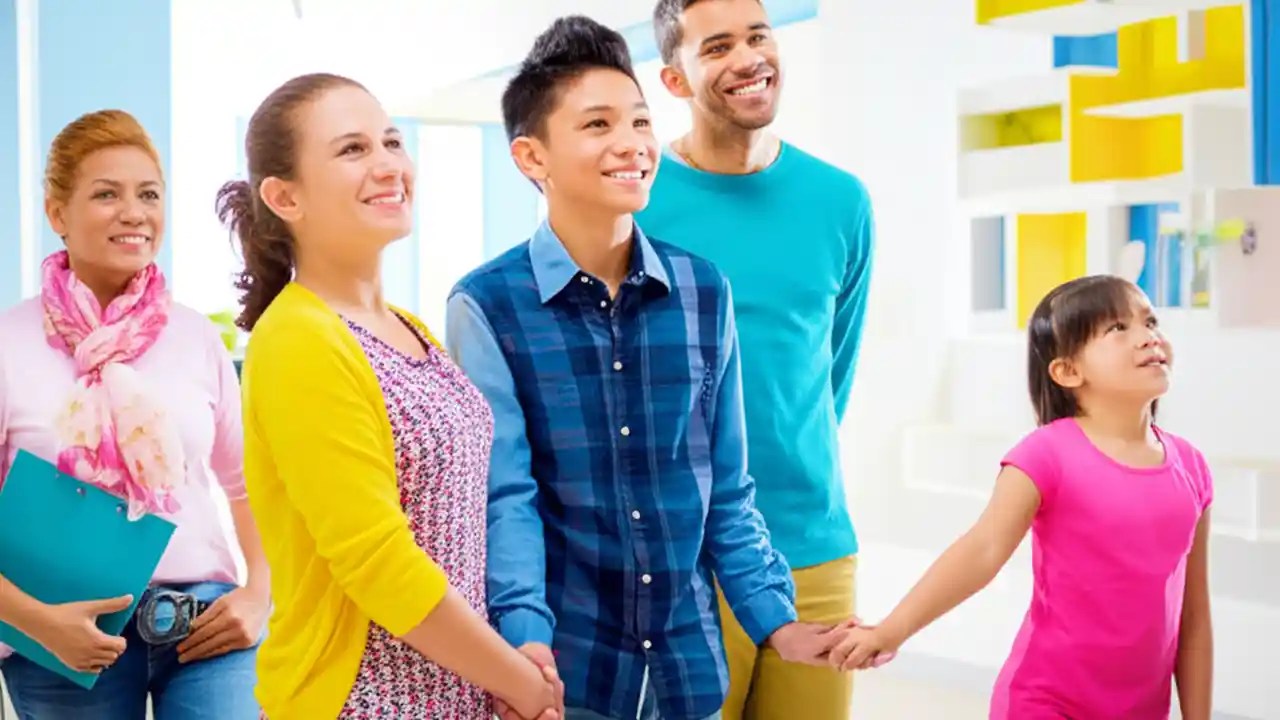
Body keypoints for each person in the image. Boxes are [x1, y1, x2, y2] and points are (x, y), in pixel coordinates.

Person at [446, 16, 841, 720]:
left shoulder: (703, 291)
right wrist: (523, 640)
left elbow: (726, 491)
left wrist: (774, 620)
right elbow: (507, 498)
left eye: (638, 121)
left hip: (690, 671)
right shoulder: (487, 307)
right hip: (569, 674)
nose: (631, 144)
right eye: (597, 125)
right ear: (532, 158)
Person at [223, 72, 561, 720]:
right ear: (284, 196)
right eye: (352, 150)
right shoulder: (297, 338)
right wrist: (520, 683)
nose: (387, 166)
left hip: (461, 693)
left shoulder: (408, 327)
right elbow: (379, 563)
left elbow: (464, 519)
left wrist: (516, 659)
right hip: (361, 703)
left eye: (391, 142)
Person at [636, 1, 876, 718]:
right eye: (717, 47)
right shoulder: (637, 204)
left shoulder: (841, 201)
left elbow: (831, 372)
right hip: (685, 557)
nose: (747, 57)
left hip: (815, 545)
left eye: (758, 35)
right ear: (675, 80)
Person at [829, 275, 1214, 720]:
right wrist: (890, 632)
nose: (1148, 337)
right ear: (1068, 371)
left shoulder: (1192, 467)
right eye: (1117, 328)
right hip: (1046, 703)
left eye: (1149, 321)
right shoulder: (1047, 454)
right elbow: (982, 550)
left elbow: (1194, 620)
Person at [0, 109, 268, 718]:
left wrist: (259, 594)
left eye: (149, 194)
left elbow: (254, 484)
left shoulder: (196, 336)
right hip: (61, 634)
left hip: (205, 624)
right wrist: (40, 623)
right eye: (105, 194)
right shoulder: (8, 342)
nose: (134, 212)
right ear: (56, 214)